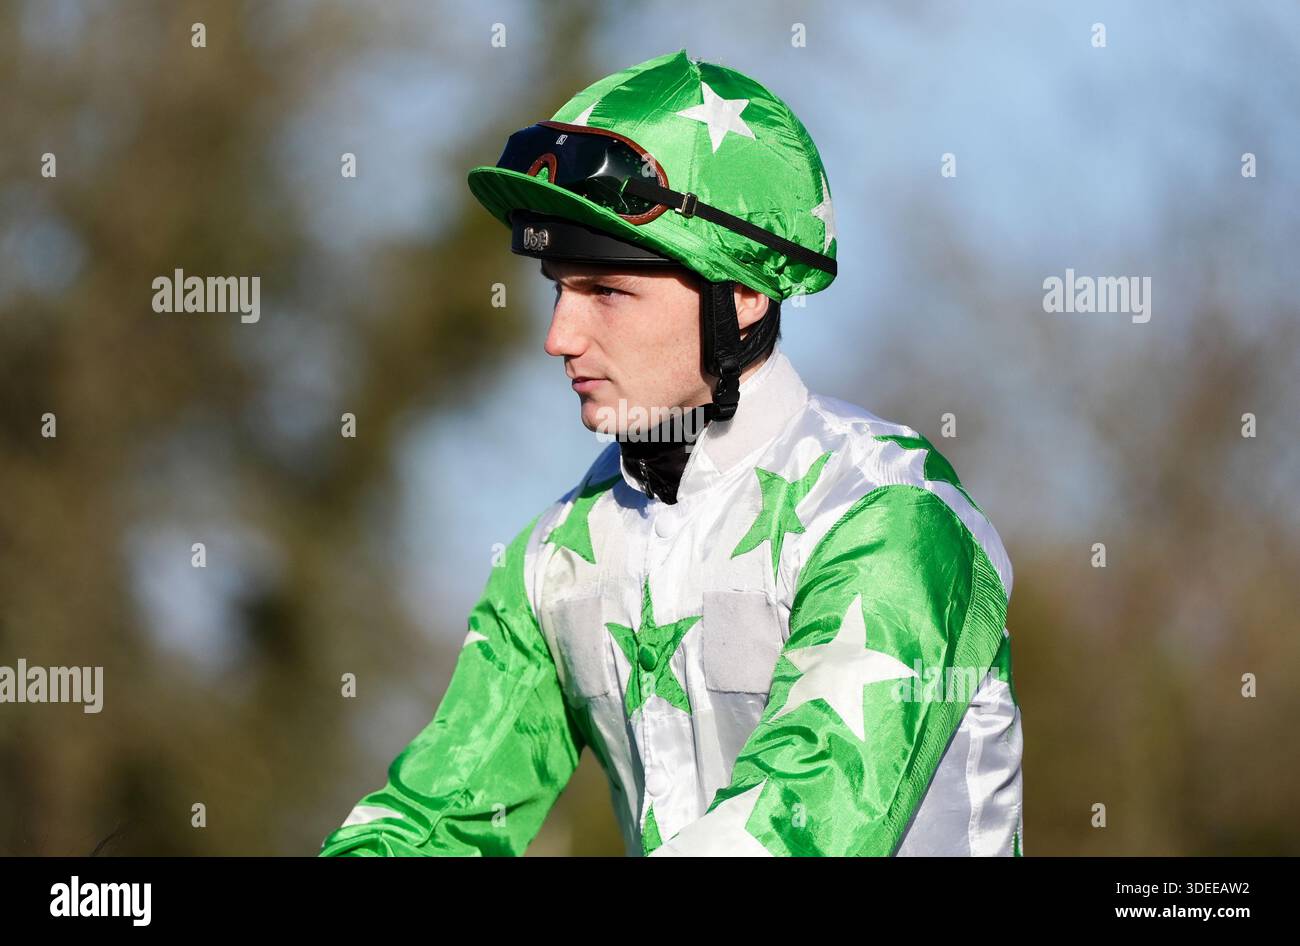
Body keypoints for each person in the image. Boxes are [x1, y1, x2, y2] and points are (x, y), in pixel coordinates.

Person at [319, 49, 1023, 857]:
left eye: (607, 292)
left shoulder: (892, 519)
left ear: (746, 290)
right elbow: (434, 819)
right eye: (558, 287)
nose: (559, 337)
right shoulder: (556, 557)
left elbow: (794, 832)